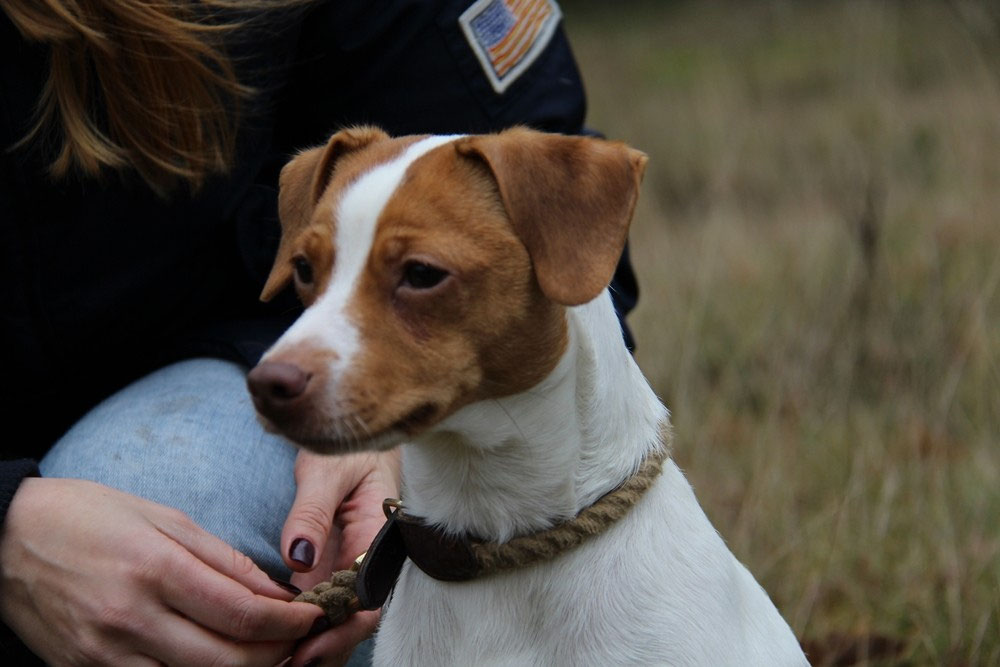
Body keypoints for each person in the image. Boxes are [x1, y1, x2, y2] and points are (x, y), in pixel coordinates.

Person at [0, 0, 638, 664]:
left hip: (205, 369)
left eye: (419, 272)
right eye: (306, 269)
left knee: (169, 499)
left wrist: (389, 434)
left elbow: (578, 252)